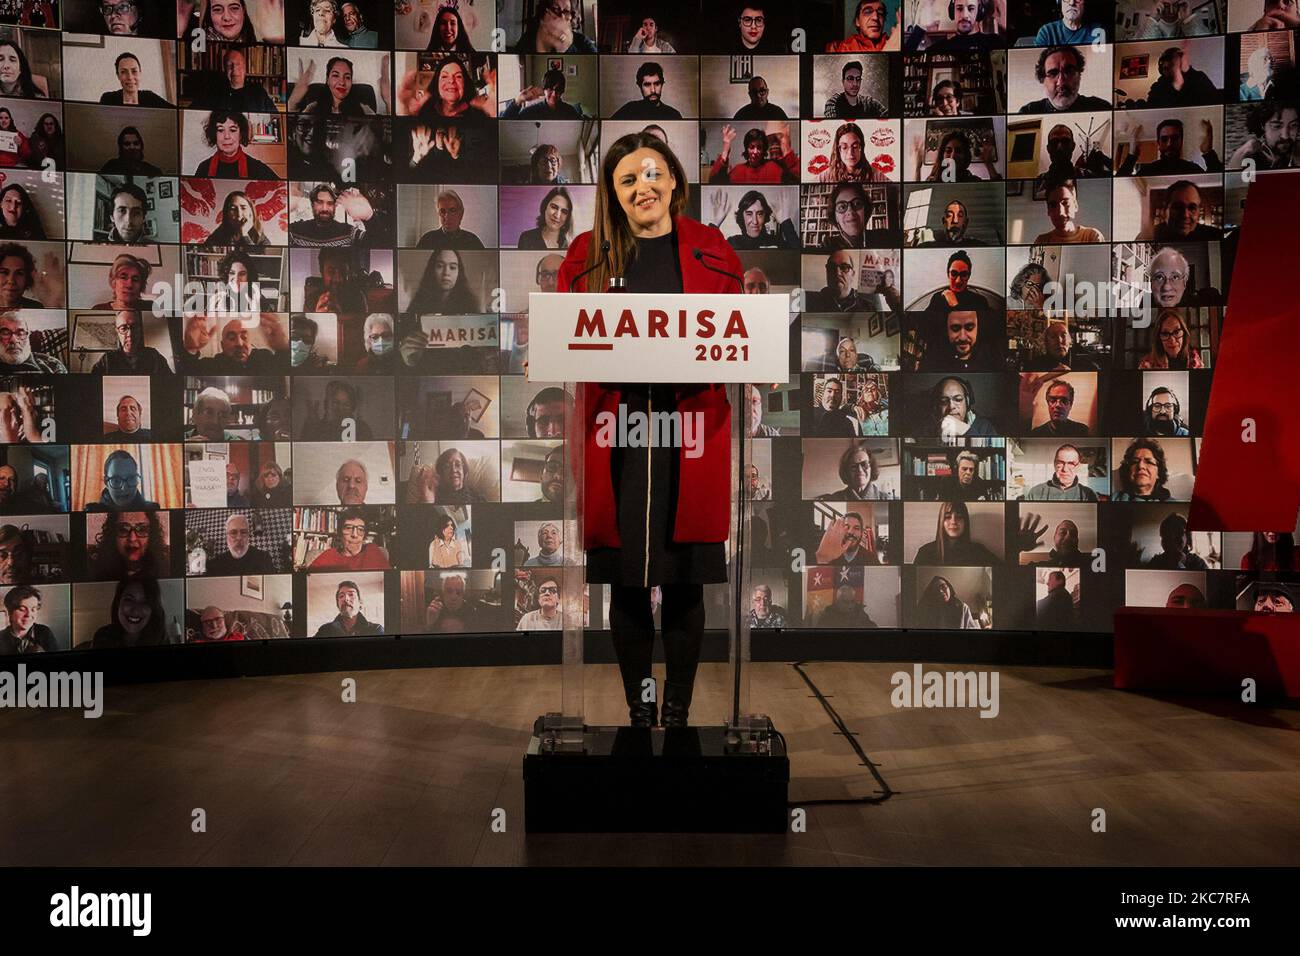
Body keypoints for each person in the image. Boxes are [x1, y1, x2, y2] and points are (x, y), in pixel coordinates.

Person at [555, 130, 746, 728]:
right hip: (619, 435)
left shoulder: (713, 251)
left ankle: (680, 710)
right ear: (613, 193)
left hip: (690, 434)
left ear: (675, 184)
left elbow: (742, 334)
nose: (644, 186)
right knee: (628, 583)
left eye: (653, 173)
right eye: (628, 179)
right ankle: (640, 711)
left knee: (687, 581)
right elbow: (564, 339)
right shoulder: (587, 255)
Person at [1019, 46, 1111, 114]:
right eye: (1053, 74)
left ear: (1079, 76)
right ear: (1043, 80)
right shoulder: (1028, 111)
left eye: (1069, 71)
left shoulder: (1101, 107)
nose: (1061, 82)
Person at [288, 55, 391, 115]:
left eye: (347, 77)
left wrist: (389, 101)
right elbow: (295, 132)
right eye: (336, 75)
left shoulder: (363, 109)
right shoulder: (313, 107)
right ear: (327, 80)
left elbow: (383, 133)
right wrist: (293, 102)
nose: (342, 82)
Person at [1117, 119, 1222, 176]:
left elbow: (1218, 178)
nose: (1169, 144)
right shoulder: (1147, 171)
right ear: (1158, 143)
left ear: (1181, 141)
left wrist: (1208, 152)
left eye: (1175, 138)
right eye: (1164, 139)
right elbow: (1118, 184)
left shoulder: (1193, 169)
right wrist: (1132, 155)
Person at [192, 110, 278, 179]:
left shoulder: (257, 168)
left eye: (232, 130)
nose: (226, 136)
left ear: (241, 134)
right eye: (221, 130)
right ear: (214, 134)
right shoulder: (204, 168)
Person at [88, 578, 169, 648]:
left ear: (153, 609)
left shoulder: (161, 640)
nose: (135, 610)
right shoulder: (102, 637)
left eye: (145, 602)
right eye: (129, 600)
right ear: (118, 603)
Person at [192, 47, 278, 112]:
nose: (234, 69)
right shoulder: (212, 91)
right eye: (230, 65)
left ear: (245, 68)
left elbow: (275, 113)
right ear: (225, 69)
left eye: (238, 64)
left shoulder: (258, 92)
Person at [914, 500, 999, 565]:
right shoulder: (925, 552)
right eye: (947, 517)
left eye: (959, 517)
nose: (953, 521)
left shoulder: (978, 551)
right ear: (941, 522)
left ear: (965, 522)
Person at [89, 509, 166, 579]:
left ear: (152, 536)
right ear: (112, 534)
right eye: (123, 530)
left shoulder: (165, 570)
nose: (132, 539)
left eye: (142, 529)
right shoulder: (94, 571)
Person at [708, 125, 798, 185]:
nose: (755, 151)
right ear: (747, 149)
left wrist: (786, 148)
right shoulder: (738, 170)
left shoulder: (773, 167)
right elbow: (713, 182)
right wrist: (725, 150)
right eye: (752, 147)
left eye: (759, 147)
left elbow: (796, 178)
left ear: (763, 150)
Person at [91, 311, 173, 375]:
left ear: (140, 329)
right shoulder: (107, 360)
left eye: (134, 327)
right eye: (123, 328)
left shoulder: (154, 357)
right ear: (117, 332)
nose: (130, 334)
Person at [1228, 98, 1300, 170]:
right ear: (1262, 126)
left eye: (1293, 125)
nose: (1285, 136)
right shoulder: (1248, 156)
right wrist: (1239, 156)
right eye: (1277, 126)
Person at [919, 309, 999, 373]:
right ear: (946, 330)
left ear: (978, 328)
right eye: (955, 329)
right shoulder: (932, 362)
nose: (962, 337)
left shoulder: (993, 359)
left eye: (969, 328)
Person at [822, 182, 896, 249]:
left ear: (865, 210)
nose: (850, 211)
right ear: (835, 216)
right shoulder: (828, 245)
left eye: (857, 204)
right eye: (842, 207)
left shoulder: (885, 237)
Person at [309, 509, 390, 570]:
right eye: (348, 528)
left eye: (360, 530)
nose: (354, 535)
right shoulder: (328, 556)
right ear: (340, 533)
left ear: (365, 535)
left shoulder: (372, 550)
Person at [289, 183, 366, 247]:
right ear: (312, 205)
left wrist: (368, 217)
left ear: (335, 206)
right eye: (319, 202)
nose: (325, 208)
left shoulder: (349, 232)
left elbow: (373, 240)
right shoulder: (296, 230)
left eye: (330, 203)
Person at [907, 0, 1001, 51]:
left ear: (979, 12)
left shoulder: (995, 41)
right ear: (952, 12)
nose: (964, 15)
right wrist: (921, 26)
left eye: (971, 9)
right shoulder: (940, 48)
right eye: (959, 9)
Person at [1142, 46, 1220, 108]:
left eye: (1174, 65)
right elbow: (1151, 106)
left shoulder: (1198, 78)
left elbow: (1213, 102)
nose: (1170, 71)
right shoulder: (1158, 86)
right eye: (1166, 68)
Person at [1033, 178, 1105, 244]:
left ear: (1075, 205)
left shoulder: (1092, 236)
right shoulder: (1041, 241)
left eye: (1065, 203)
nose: (1060, 212)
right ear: (1048, 210)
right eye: (1053, 205)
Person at [409, 248, 481, 314]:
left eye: (452, 267)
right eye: (440, 266)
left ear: (459, 273)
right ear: (432, 270)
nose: (446, 273)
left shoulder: (470, 307)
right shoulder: (418, 304)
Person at [816, 441, 894, 500]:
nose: (859, 470)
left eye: (864, 464)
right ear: (847, 472)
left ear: (871, 467)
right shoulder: (835, 498)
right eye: (853, 466)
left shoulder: (887, 498)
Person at [806, 250, 880, 312]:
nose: (837, 273)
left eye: (844, 267)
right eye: (832, 267)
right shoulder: (810, 303)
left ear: (852, 274)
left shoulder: (868, 307)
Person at [919, 128, 1001, 183]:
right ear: (942, 155)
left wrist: (988, 163)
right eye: (948, 151)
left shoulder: (973, 181)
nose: (953, 156)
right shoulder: (933, 181)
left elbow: (996, 194)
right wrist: (917, 168)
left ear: (965, 155)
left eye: (958, 151)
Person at [86, 450, 159, 511]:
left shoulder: (152, 510)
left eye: (131, 478)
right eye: (116, 480)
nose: (124, 488)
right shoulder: (91, 512)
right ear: (106, 482)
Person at [513, 1, 598, 53]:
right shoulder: (528, 38)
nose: (561, 17)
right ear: (545, 13)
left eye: (566, 11)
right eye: (555, 9)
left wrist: (567, 48)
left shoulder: (583, 42)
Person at [301, 380, 373, 441]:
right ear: (326, 404)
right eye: (336, 403)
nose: (340, 408)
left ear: (352, 407)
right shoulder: (315, 429)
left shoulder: (362, 429)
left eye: (346, 405)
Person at [929, 375, 997, 439]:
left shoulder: (985, 427)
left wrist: (965, 430)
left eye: (958, 399)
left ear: (967, 402)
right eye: (944, 401)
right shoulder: (926, 427)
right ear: (936, 406)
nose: (951, 406)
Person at [1023, 443, 1098, 501]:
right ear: (1054, 464)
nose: (1065, 469)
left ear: (1078, 466)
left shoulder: (1089, 495)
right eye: (1060, 463)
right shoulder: (1035, 492)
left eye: (1071, 463)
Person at [501, 68, 583, 119]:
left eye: (558, 90)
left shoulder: (570, 111)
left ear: (562, 91)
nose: (554, 94)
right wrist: (518, 100)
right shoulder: (531, 111)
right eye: (550, 89)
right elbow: (504, 123)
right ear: (544, 90)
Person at [610, 62, 682, 120]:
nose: (653, 90)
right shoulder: (629, 109)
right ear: (640, 86)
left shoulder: (673, 115)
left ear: (662, 84)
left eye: (657, 84)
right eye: (647, 85)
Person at [207, 513, 274, 574]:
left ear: (248, 536)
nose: (239, 538)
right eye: (233, 532)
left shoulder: (264, 559)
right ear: (227, 537)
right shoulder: (215, 565)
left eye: (243, 532)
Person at [820, 122, 888, 183]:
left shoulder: (877, 176)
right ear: (838, 149)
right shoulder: (825, 177)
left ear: (861, 147)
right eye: (844, 147)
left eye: (855, 146)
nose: (850, 153)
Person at [1151, 180, 1219, 241]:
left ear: (1199, 211)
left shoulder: (1215, 235)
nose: (1185, 215)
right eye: (1178, 207)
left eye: (1192, 208)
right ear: (1165, 209)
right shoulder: (1151, 234)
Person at [415, 190, 484, 249]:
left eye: (452, 210)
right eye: (442, 211)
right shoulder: (427, 240)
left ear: (461, 214)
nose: (447, 217)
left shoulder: (472, 241)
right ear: (438, 214)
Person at [923, 250, 988, 314]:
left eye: (964, 275)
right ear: (948, 274)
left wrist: (954, 304)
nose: (958, 281)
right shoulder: (937, 298)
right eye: (954, 274)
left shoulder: (980, 301)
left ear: (969, 276)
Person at [313, 580, 384, 636]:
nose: (346, 599)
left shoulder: (376, 630)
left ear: (360, 603)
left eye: (351, 594)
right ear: (338, 605)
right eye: (341, 596)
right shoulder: (325, 631)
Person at [99, 52, 171, 107]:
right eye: (123, 72)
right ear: (118, 76)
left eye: (134, 71)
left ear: (140, 73)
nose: (130, 77)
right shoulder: (108, 99)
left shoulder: (150, 98)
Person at [0, 312, 64, 372]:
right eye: (5, 333)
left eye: (20, 333)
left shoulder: (52, 364)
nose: (13, 340)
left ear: (28, 336)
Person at [823, 61, 887, 121]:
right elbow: (832, 123)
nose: (855, 84)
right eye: (850, 79)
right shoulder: (834, 102)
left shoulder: (869, 103)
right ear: (843, 81)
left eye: (858, 79)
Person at [0, 585, 55, 654]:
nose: (28, 615)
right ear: (10, 612)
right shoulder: (1, 637)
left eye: (33, 609)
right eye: (22, 609)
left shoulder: (45, 632)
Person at [1112, 437, 1171, 501]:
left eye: (1149, 462)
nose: (1140, 466)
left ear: (1159, 473)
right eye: (1135, 462)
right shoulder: (1113, 498)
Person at [826, 0, 896, 52]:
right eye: (868, 12)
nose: (875, 17)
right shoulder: (839, 48)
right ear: (857, 21)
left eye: (880, 13)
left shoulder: (895, 44)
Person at [929, 449, 998, 501]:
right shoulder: (946, 482)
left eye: (971, 470)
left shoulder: (980, 484)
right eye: (964, 469)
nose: (968, 473)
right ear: (957, 469)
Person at [814, 512, 880, 565]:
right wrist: (822, 559)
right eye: (846, 527)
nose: (850, 532)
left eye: (856, 528)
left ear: (862, 533)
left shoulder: (872, 558)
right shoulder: (829, 555)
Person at [914, 575, 978, 628]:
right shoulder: (929, 611)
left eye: (943, 586)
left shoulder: (963, 608)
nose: (941, 591)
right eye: (936, 590)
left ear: (949, 588)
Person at [99, 127, 163, 178]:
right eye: (127, 144)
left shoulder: (153, 171)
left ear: (141, 146)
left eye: (136, 143)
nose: (132, 147)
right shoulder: (111, 167)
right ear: (121, 148)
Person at [1034, 0, 1103, 44]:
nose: (1072, 3)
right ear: (1060, 3)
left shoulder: (1098, 30)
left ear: (1084, 3)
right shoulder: (1046, 32)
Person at [0, 243, 42, 308]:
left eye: (19, 273)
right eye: (4, 272)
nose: (11, 281)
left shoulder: (37, 307)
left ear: (27, 278)